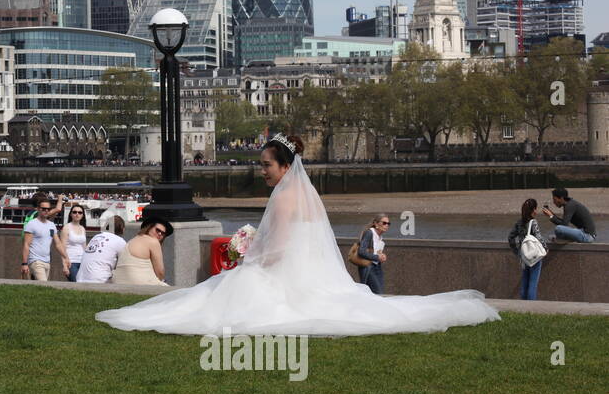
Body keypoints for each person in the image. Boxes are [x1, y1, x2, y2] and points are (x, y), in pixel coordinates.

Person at [96, 134, 500, 336]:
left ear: (285, 166)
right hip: (307, 273)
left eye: (267, 165)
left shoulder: (287, 199)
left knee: (220, 298)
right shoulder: (303, 194)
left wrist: (249, 260)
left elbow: (282, 247)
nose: (262, 171)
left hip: (285, 273)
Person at [21, 195, 67, 281]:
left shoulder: (31, 214)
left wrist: (66, 257)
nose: (46, 211)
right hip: (35, 260)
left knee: (38, 288)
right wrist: (24, 263)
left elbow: (58, 243)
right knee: (44, 285)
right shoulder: (33, 223)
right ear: (38, 208)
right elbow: (26, 244)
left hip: (46, 261)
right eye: (44, 209)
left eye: (48, 209)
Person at [112, 219, 170, 286]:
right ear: (149, 227)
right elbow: (160, 273)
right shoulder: (153, 241)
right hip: (140, 283)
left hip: (119, 281)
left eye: (163, 233)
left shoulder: (132, 240)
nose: (160, 234)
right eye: (158, 230)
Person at [508, 198, 546, 301]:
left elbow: (510, 237)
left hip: (523, 256)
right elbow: (539, 237)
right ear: (533, 210)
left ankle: (523, 305)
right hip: (534, 256)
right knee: (533, 282)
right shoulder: (533, 222)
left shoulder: (519, 223)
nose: (536, 211)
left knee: (525, 280)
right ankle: (531, 306)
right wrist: (545, 248)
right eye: (535, 209)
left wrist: (517, 251)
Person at [77, 216, 129, 284]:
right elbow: (126, 262)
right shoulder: (120, 241)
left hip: (80, 278)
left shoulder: (97, 236)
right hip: (99, 280)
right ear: (122, 228)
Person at [357, 215, 390, 294]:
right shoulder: (369, 233)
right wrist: (377, 257)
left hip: (377, 267)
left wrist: (381, 256)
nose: (386, 225)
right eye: (384, 223)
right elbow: (361, 251)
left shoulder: (380, 236)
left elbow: (375, 251)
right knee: (377, 293)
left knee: (378, 294)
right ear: (376, 223)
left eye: (388, 224)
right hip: (368, 267)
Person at [61, 203, 89, 281]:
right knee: (76, 283)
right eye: (74, 212)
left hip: (82, 261)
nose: (77, 214)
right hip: (71, 262)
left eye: (80, 212)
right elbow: (62, 248)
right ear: (70, 214)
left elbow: (84, 247)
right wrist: (64, 265)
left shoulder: (83, 228)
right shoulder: (66, 228)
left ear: (82, 215)